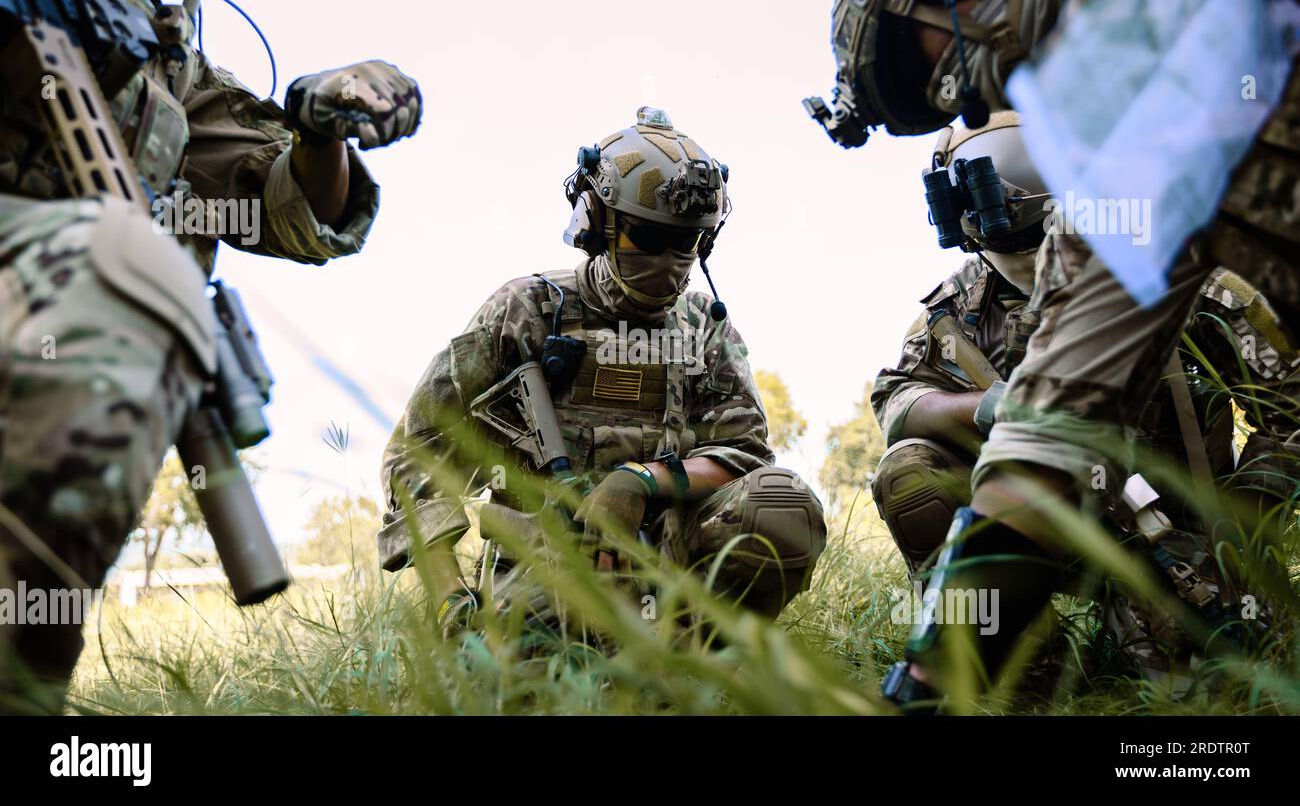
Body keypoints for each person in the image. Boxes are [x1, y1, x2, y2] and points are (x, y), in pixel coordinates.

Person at [0, 0, 421, 712]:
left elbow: (293, 209)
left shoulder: (161, 53)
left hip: (56, 342)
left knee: (139, 281)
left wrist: (317, 124)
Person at [870, 113, 1292, 692]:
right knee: (909, 472)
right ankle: (1017, 659)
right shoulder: (957, 311)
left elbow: (1291, 406)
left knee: (1211, 686)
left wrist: (1247, 523)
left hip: (1172, 532)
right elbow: (895, 398)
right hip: (1037, 520)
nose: (1011, 197)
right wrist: (986, 406)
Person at [378, 108, 827, 635]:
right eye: (648, 237)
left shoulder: (704, 327)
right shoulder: (526, 310)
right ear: (597, 223)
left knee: (782, 504)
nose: (671, 261)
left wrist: (639, 482)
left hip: (671, 554)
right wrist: (450, 602)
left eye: (686, 243)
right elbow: (417, 456)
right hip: (544, 562)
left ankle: (705, 656)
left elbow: (744, 451)